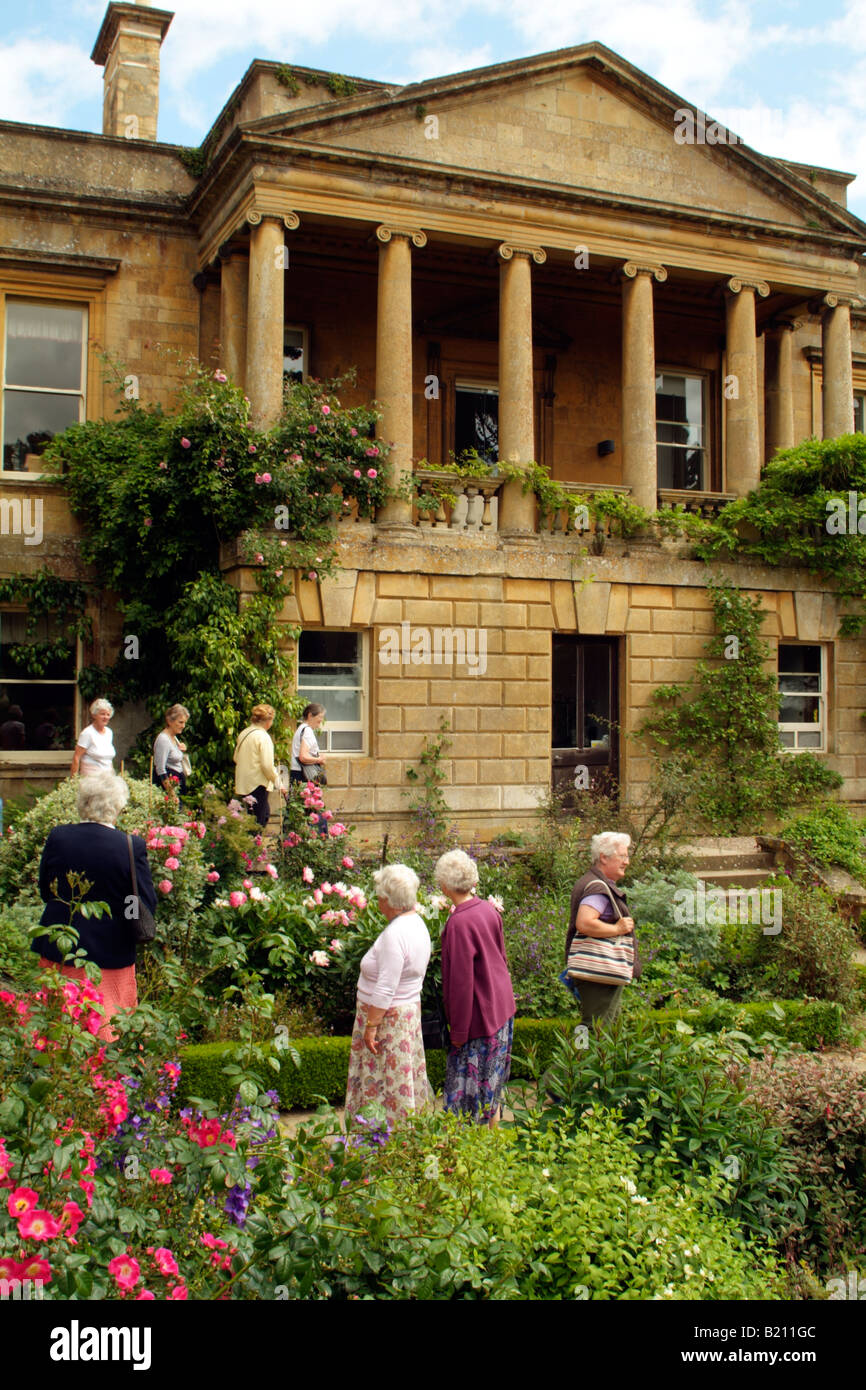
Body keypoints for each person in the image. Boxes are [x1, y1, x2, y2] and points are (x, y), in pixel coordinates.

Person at [32, 770, 155, 1041]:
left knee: (56, 1029)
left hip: (60, 947)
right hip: (111, 954)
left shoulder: (59, 837)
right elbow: (142, 900)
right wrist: (129, 922)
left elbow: (46, 888)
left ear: (83, 803)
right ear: (118, 806)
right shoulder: (130, 845)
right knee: (108, 1033)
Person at [435, 849, 516, 1127]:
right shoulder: (487, 910)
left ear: (444, 886)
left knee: (468, 1102)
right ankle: (492, 1147)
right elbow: (502, 958)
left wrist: (457, 1031)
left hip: (479, 1019)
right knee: (491, 1088)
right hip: (501, 1007)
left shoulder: (458, 922)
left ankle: (471, 1155)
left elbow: (460, 982)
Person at [345, 864, 432, 1121]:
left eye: (380, 896)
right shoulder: (417, 924)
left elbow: (385, 987)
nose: (378, 901)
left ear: (390, 901)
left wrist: (371, 1026)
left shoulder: (395, 934)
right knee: (400, 1080)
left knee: (383, 1083)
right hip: (405, 1016)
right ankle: (405, 1135)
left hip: (388, 1021)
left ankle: (380, 1139)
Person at [565, 831, 638, 1026]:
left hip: (596, 972)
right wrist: (618, 928)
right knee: (596, 1026)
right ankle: (583, 1055)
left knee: (595, 1022)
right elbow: (585, 922)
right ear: (604, 858)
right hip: (600, 971)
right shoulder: (597, 888)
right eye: (622, 856)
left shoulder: (591, 881)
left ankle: (581, 1054)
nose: (627, 862)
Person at [233, 703, 286, 829]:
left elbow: (235, 757)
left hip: (243, 784)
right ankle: (254, 847)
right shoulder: (263, 737)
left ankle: (251, 846)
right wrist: (279, 783)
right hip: (258, 784)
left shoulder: (244, 733)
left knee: (251, 819)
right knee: (259, 821)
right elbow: (267, 766)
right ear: (268, 720)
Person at [289, 703, 327, 836]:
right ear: (310, 715)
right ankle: (321, 842)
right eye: (319, 719)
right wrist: (319, 760)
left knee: (296, 813)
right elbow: (303, 756)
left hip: (297, 774)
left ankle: (290, 843)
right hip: (305, 777)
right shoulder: (308, 731)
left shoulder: (300, 729)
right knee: (316, 811)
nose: (320, 723)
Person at [70, 698, 115, 777]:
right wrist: (73, 781)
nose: (105, 717)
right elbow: (76, 757)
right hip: (91, 779)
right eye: (102, 714)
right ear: (94, 715)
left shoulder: (109, 732)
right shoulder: (87, 733)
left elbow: (108, 760)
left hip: (108, 778)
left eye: (108, 714)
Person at [153, 703, 191, 796]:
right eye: (180, 722)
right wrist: (171, 794)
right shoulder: (163, 739)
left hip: (177, 784)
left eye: (184, 723)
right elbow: (160, 768)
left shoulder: (174, 738)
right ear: (170, 721)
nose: (183, 726)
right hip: (168, 789)